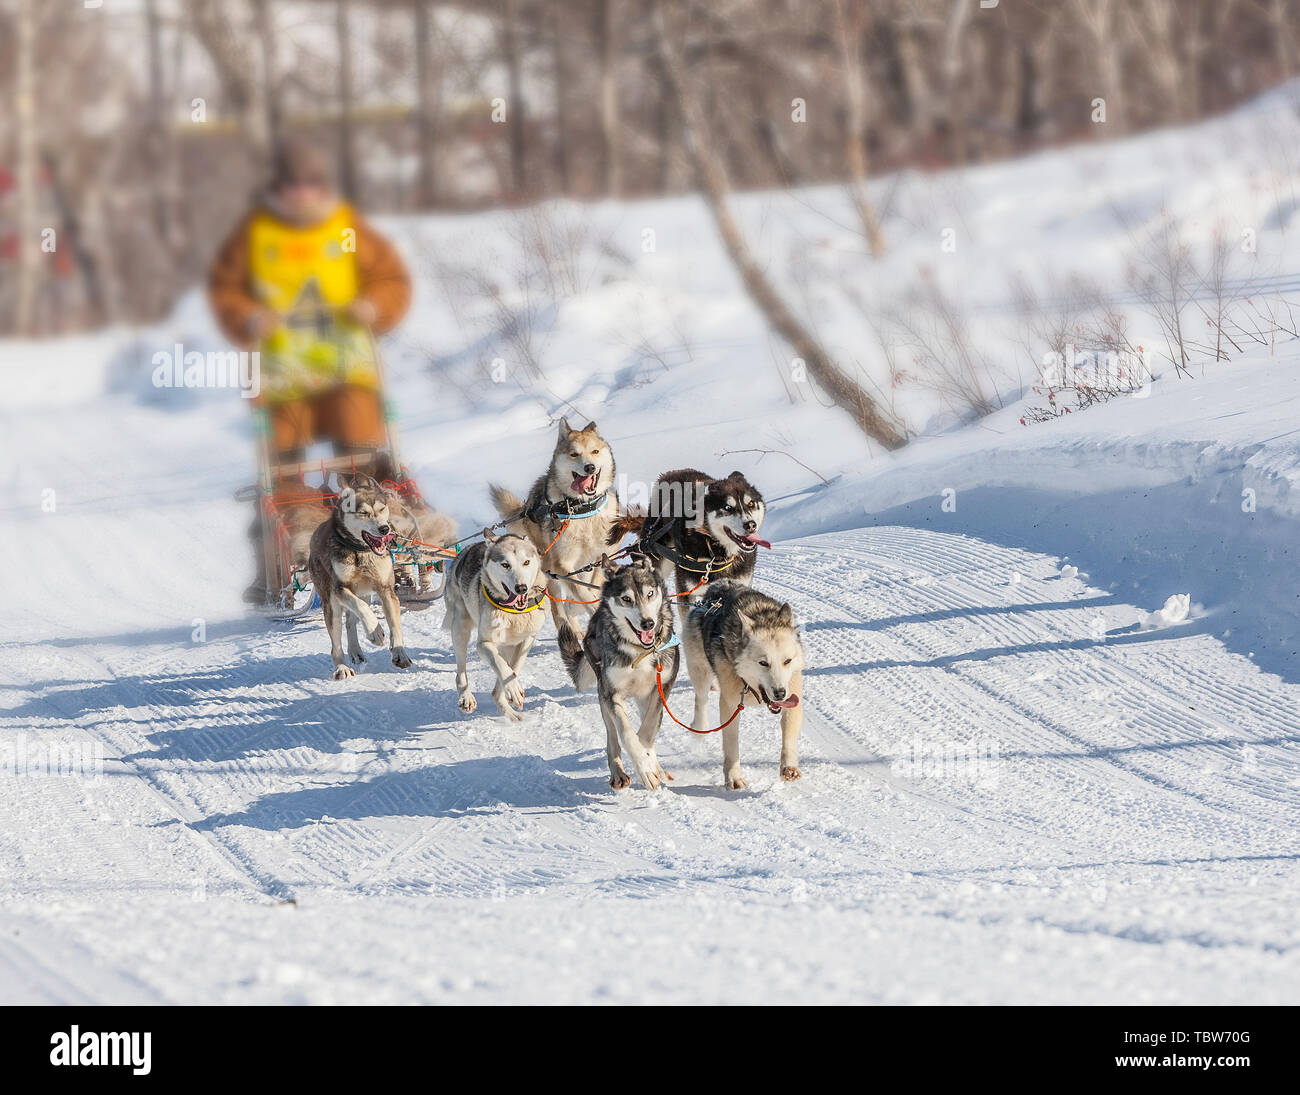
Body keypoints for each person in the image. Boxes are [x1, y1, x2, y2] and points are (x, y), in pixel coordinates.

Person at [208, 136, 412, 602]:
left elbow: (389, 281)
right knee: (280, 474)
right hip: (283, 376)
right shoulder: (255, 236)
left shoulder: (347, 229)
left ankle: (386, 545)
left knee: (366, 462)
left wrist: (372, 305)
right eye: (291, 186)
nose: (302, 195)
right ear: (277, 189)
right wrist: (249, 316)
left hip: (348, 370)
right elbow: (227, 291)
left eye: (310, 185)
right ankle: (281, 562)